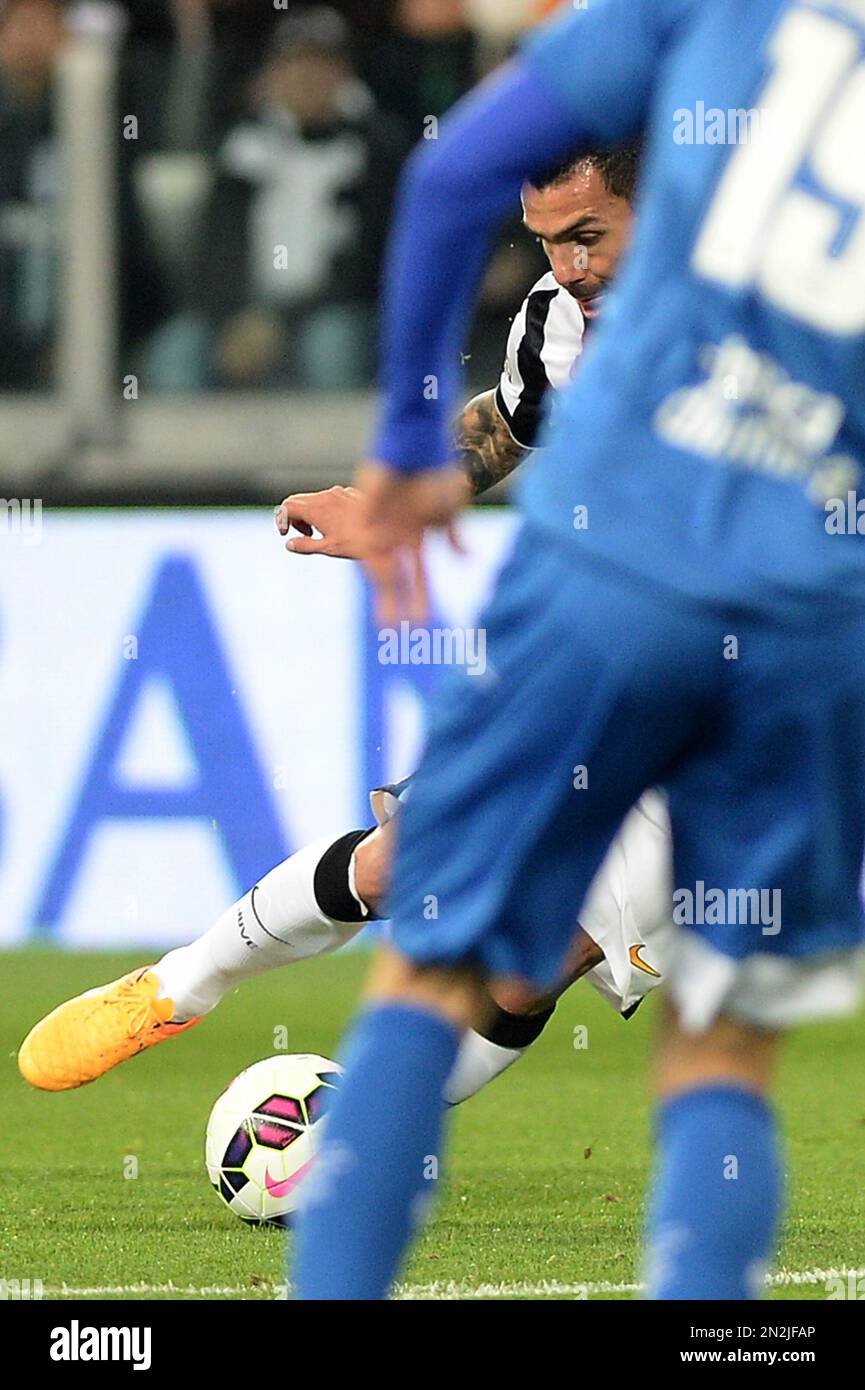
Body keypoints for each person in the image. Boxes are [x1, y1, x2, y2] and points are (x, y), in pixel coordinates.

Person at [291, 0, 865, 1301]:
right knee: (722, 1043)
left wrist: (403, 446)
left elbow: (452, 174)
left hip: (614, 557)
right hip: (810, 611)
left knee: (432, 962)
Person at [17, 144, 674, 1108]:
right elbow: (512, 419)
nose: (569, 267)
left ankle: (348, 1138)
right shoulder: (558, 320)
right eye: (546, 243)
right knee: (400, 865)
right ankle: (177, 986)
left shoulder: (778, 324)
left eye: (587, 236)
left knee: (539, 957)